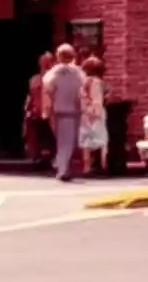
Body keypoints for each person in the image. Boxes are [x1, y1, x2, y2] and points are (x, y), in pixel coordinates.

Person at [43, 43, 86, 182]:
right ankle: (63, 169)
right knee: (70, 142)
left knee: (63, 141)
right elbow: (84, 89)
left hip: (59, 110)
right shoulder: (78, 73)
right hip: (75, 110)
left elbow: (48, 90)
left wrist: (48, 109)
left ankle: (63, 167)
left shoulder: (53, 73)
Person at [23, 52, 56, 169]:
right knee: (37, 135)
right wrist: (28, 108)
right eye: (43, 62)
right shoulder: (34, 80)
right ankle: (39, 157)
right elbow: (31, 95)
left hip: (53, 112)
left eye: (48, 62)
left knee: (52, 136)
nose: (45, 64)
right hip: (37, 111)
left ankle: (52, 157)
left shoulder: (55, 78)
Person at [79, 56, 109, 176]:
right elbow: (97, 100)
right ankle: (102, 165)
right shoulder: (97, 82)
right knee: (101, 140)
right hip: (96, 113)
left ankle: (86, 166)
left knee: (86, 141)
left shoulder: (83, 82)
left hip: (84, 113)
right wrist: (96, 112)